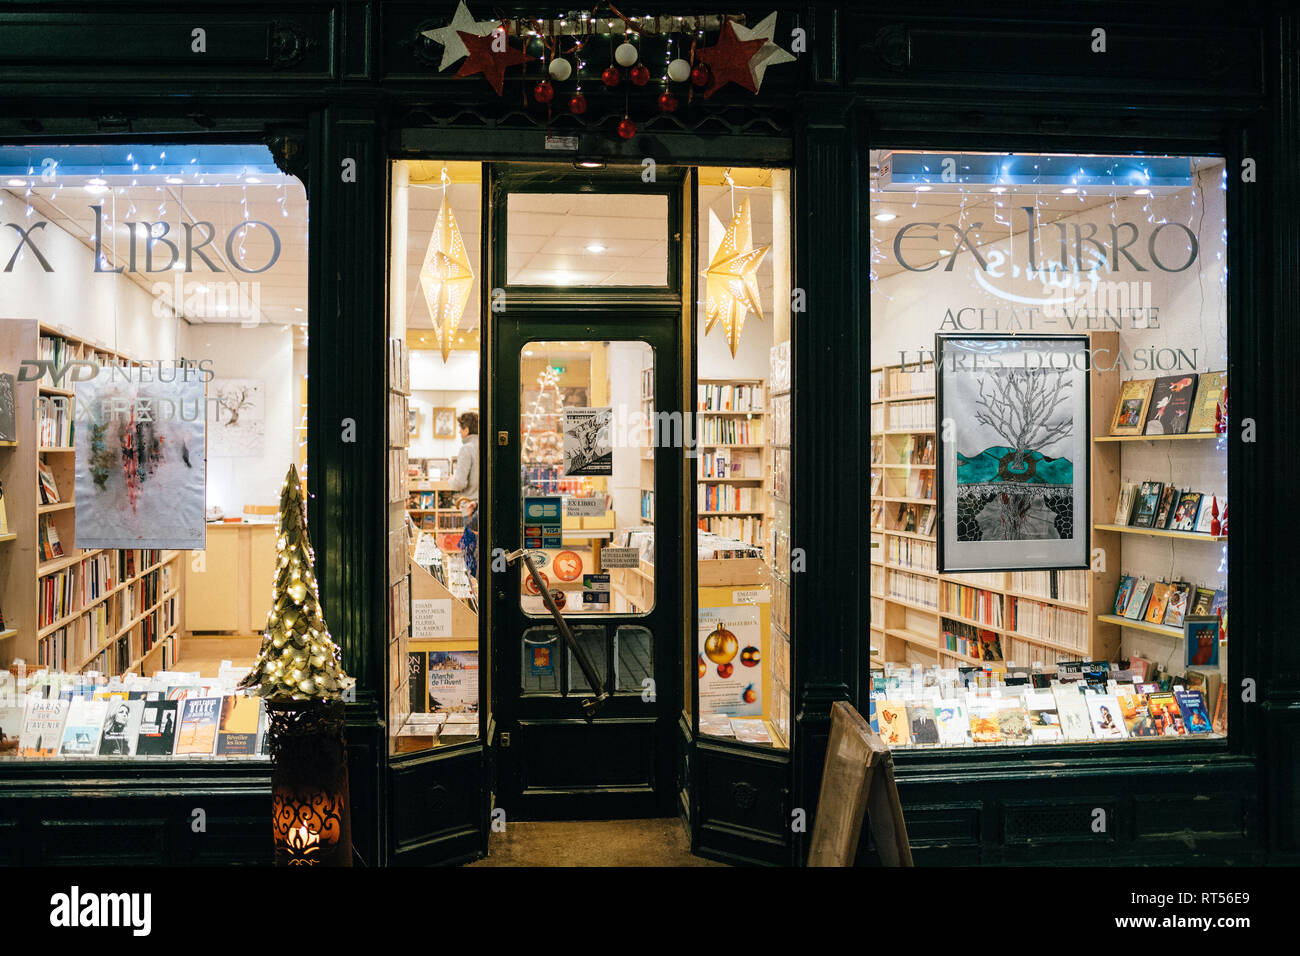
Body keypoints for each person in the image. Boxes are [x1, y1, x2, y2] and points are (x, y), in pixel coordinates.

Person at [447, 411, 479, 578]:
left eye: (460, 429)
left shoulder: (467, 448)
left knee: (470, 553)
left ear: (466, 429)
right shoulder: (485, 445)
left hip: (470, 507)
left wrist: (450, 480)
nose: (459, 432)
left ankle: (473, 590)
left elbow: (460, 482)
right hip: (483, 506)